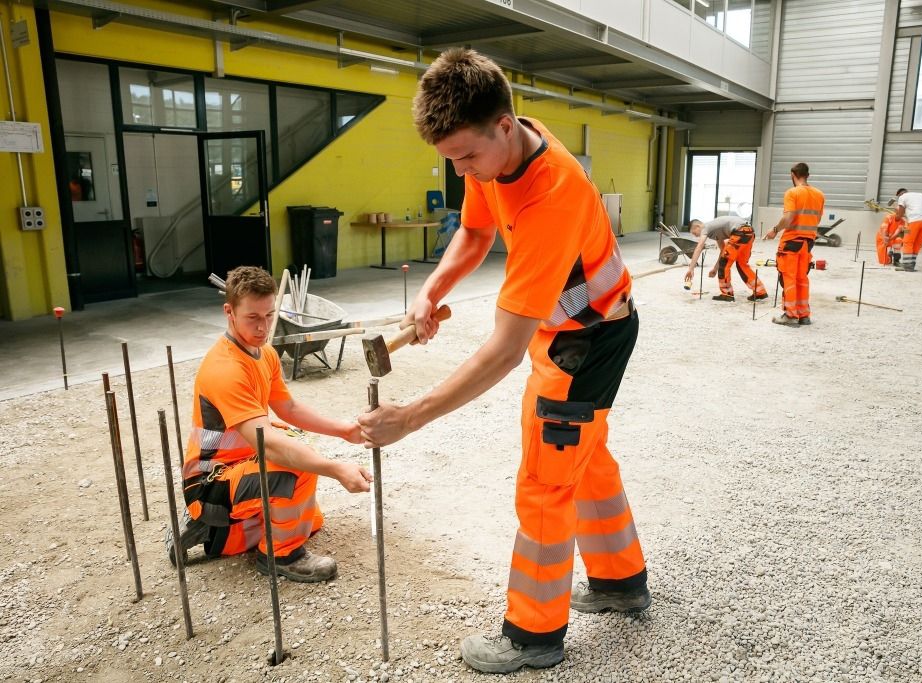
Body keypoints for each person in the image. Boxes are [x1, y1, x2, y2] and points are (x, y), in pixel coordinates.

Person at [357, 48, 650, 674]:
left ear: (505, 126)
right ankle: (621, 583)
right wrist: (433, 289)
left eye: (466, 156)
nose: (462, 169)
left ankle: (532, 636)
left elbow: (504, 350)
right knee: (585, 458)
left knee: (546, 481)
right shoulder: (490, 156)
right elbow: (475, 231)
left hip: (589, 338)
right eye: (451, 160)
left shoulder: (553, 198)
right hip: (569, 327)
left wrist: (410, 417)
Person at [168, 266, 371, 583]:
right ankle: (281, 555)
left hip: (238, 465)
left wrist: (344, 430)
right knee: (295, 467)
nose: (263, 327)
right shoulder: (225, 368)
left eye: (269, 315)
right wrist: (335, 468)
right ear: (229, 312)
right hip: (211, 481)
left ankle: (217, 534)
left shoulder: (264, 354)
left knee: (309, 517)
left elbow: (288, 407)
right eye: (253, 318)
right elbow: (270, 446)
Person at [764, 162, 825, 327]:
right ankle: (803, 315)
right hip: (808, 242)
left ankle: (791, 315)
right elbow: (818, 219)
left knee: (788, 278)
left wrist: (775, 229)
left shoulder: (792, 193)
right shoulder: (819, 194)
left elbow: (788, 218)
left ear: (793, 175)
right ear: (808, 175)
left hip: (791, 241)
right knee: (802, 278)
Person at [685, 216, 767, 301]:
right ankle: (760, 292)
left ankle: (727, 294)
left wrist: (691, 269)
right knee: (741, 264)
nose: (696, 236)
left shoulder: (706, 228)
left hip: (739, 232)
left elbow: (699, 247)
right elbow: (723, 251)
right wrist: (715, 269)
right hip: (749, 232)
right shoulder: (716, 230)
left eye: (694, 233)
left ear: (697, 226)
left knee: (724, 264)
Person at [893, 188, 922, 272]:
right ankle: (911, 264)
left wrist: (897, 216)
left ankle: (907, 266)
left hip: (915, 220)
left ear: (900, 194)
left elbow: (900, 214)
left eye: (898, 196)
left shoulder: (902, 197)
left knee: (908, 242)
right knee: (917, 242)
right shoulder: (921, 195)